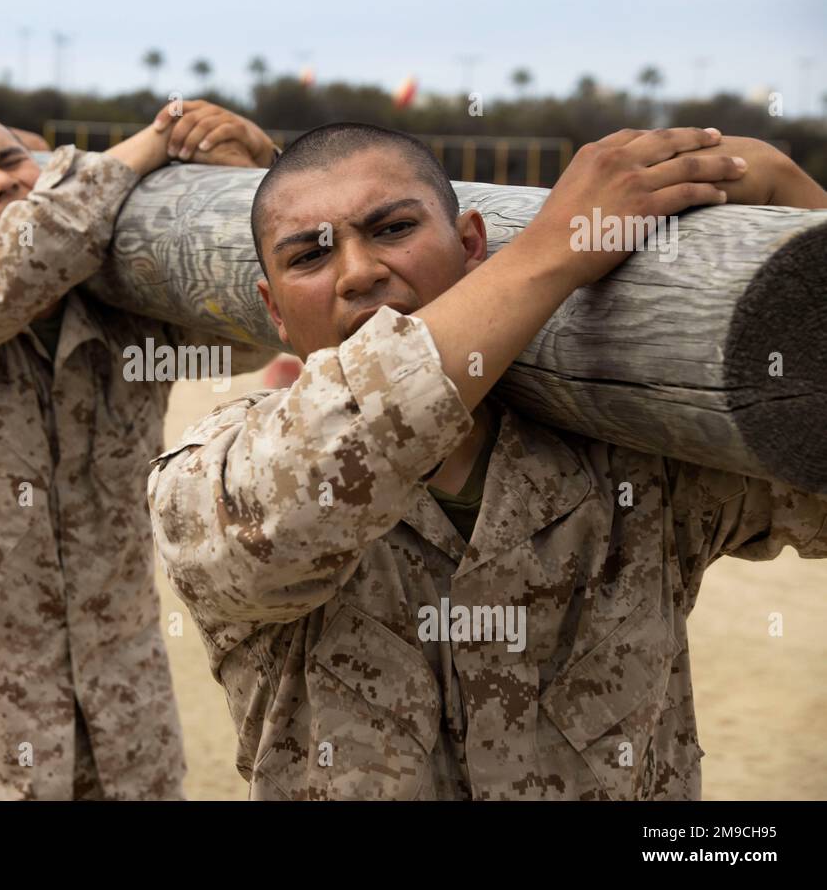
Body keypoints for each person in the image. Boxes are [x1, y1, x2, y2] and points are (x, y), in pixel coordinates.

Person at [147, 122, 827, 800]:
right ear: (276, 314)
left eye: (391, 230)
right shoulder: (208, 478)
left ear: (471, 245)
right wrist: (550, 251)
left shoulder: (629, 463)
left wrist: (791, 197)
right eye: (310, 257)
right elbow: (299, 491)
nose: (359, 272)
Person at [0, 100, 276, 799]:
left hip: (126, 728)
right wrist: (160, 136)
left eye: (9, 161)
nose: (0, 182)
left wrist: (252, 178)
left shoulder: (126, 319)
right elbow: (28, 251)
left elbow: (261, 328)